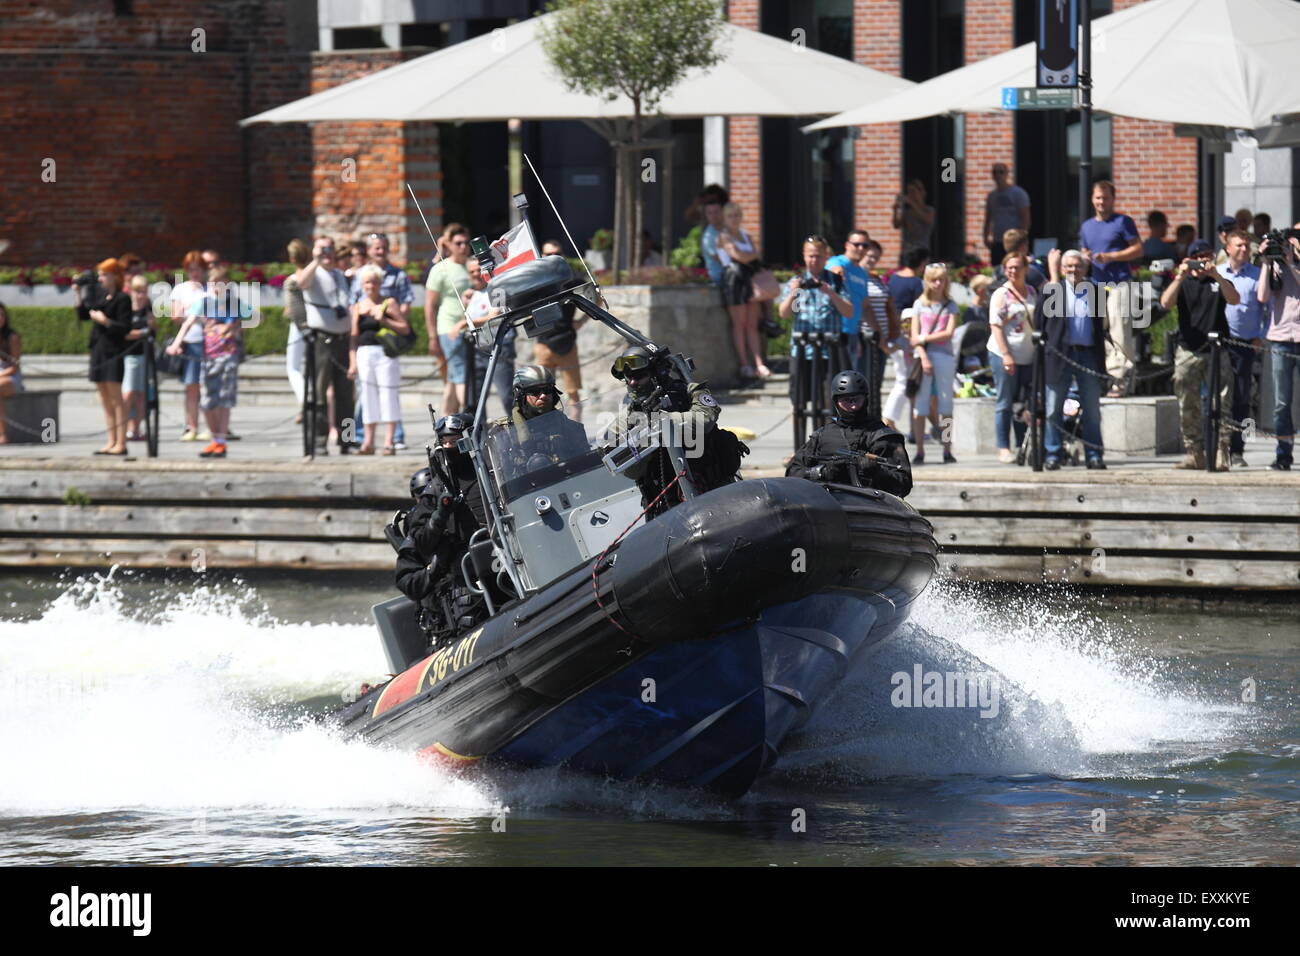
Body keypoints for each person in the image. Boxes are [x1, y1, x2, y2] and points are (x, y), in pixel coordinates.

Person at [606, 344, 737, 520]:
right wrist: (646, 434)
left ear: (657, 374)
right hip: (666, 510)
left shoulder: (687, 395)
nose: (632, 383)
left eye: (639, 376)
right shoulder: (628, 417)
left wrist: (665, 422)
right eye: (628, 378)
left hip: (716, 494)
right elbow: (631, 470)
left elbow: (704, 419)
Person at [395, 413, 487, 650]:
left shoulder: (492, 471)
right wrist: (440, 515)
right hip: (465, 580)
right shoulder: (436, 489)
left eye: (455, 440)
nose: (449, 447)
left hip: (507, 561)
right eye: (444, 442)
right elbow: (421, 543)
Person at [1161, 239, 1239, 470]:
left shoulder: (1219, 279)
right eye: (1198, 257)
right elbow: (1166, 303)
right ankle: (1195, 452)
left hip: (1217, 349)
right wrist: (1180, 275)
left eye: (1207, 256)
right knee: (1188, 402)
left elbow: (1235, 299)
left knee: (1222, 402)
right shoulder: (1182, 282)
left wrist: (1216, 276)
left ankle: (1221, 451)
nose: (1203, 261)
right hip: (1188, 349)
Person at [786, 370, 912, 497]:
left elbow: (904, 484)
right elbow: (792, 472)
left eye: (857, 400)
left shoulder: (882, 437)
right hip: (829, 504)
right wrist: (821, 472)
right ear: (836, 402)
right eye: (847, 400)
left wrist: (877, 472)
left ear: (865, 399)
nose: (853, 406)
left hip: (871, 506)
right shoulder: (822, 436)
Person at [1036, 250, 1108, 470]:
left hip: (1087, 355)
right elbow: (1039, 324)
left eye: (1077, 266)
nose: (1073, 270)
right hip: (1059, 356)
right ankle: (1053, 454)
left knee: (1092, 410)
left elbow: (1100, 326)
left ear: (1085, 268)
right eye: (1068, 266)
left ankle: (1094, 454)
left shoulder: (1095, 292)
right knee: (1053, 408)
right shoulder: (1052, 291)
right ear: (1061, 269)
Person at [167, 264, 243, 458]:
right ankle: (215, 439)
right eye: (211, 285)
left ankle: (220, 441)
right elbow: (187, 323)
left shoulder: (232, 303)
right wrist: (177, 343)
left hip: (227, 356)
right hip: (208, 357)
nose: (213, 289)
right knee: (207, 401)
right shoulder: (204, 303)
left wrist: (232, 329)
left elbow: (244, 320)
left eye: (217, 285)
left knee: (224, 400)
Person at [1078, 181, 1142, 397]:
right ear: (1092, 199)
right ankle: (1107, 374)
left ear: (1113, 199)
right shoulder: (1087, 226)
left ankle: (1121, 379)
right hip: (1096, 283)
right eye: (1098, 198)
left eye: (1105, 198)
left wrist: (1111, 257)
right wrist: (1085, 257)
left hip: (1120, 282)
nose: (1101, 202)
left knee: (1119, 330)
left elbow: (1138, 249)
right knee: (1098, 331)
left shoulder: (1123, 222)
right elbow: (1084, 250)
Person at [781, 236, 854, 424]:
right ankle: (801, 448)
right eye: (811, 256)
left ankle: (826, 446)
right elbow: (785, 313)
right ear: (804, 257)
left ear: (825, 257)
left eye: (819, 256)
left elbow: (848, 311)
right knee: (798, 402)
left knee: (830, 402)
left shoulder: (835, 281)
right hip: (803, 350)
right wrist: (793, 293)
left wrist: (830, 293)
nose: (814, 260)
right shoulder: (797, 282)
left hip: (829, 351)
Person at [351, 232, 414, 448]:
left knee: (389, 393)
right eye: (376, 248)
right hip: (364, 349)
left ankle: (393, 438)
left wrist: (386, 318)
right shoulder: (359, 285)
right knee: (365, 396)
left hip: (386, 347)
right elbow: (352, 329)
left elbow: (405, 308)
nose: (369, 285)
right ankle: (361, 439)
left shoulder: (397, 277)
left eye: (383, 247)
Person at [296, 235, 355, 455]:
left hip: (343, 339)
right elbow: (301, 283)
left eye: (330, 249)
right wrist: (316, 260)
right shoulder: (314, 272)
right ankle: (318, 441)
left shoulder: (339, 275)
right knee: (319, 393)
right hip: (322, 339)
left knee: (346, 396)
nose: (327, 253)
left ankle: (347, 440)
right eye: (323, 249)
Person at [75, 257, 132, 455]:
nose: (100, 279)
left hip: (114, 350)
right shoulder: (101, 297)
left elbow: (125, 327)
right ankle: (111, 440)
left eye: (104, 275)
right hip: (98, 349)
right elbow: (83, 315)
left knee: (116, 398)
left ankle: (121, 442)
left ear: (114, 277)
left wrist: (105, 321)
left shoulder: (123, 299)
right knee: (105, 398)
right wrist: (77, 293)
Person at [1256, 225, 1300, 470]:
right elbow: (1262, 296)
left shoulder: (1292, 263)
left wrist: (1292, 263)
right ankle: (1283, 454)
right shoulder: (1276, 264)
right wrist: (1266, 262)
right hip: (1280, 338)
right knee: (1281, 403)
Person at [1220, 230, 1265, 467]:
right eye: (1239, 245)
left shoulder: (1258, 275)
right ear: (1228, 248)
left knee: (1241, 398)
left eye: (1247, 246)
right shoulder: (1217, 274)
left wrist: (1262, 336)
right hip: (1220, 345)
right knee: (1217, 398)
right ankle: (1216, 447)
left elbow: (1269, 309)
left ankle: (1237, 450)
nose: (1244, 250)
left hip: (1245, 344)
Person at [988, 252, 1038, 463]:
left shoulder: (1032, 291)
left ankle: (1021, 446)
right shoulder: (1001, 294)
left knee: (1023, 404)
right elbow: (996, 326)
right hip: (1004, 354)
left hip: (1027, 355)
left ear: (1025, 269)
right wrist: (1007, 355)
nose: (1013, 271)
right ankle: (1003, 447)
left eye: (1017, 267)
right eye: (1009, 267)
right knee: (1005, 402)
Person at [490, 364, 590, 469]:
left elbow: (587, 465)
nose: (543, 396)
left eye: (547, 390)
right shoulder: (502, 434)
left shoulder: (568, 426)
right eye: (535, 391)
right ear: (521, 395)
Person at [718, 202, 775, 380]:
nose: (734, 219)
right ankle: (745, 364)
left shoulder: (746, 235)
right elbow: (738, 257)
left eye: (737, 215)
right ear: (725, 219)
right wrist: (750, 256)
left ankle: (759, 363)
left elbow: (751, 255)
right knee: (739, 324)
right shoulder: (723, 236)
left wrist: (748, 256)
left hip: (750, 279)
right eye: (730, 216)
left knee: (752, 324)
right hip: (734, 280)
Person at [909, 263, 958, 464]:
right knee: (920, 405)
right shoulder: (919, 304)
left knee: (946, 404)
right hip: (923, 357)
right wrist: (922, 352)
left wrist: (924, 338)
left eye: (942, 279)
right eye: (934, 279)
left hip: (944, 356)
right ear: (927, 281)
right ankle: (920, 449)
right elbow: (913, 336)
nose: (938, 283)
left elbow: (948, 333)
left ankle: (947, 449)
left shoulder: (950, 304)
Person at [532, 239, 586, 416]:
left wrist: (581, 321)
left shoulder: (570, 277)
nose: (552, 257)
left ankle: (577, 433)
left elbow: (596, 297)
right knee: (540, 393)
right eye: (548, 254)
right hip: (544, 343)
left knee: (573, 393)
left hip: (567, 341)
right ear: (542, 255)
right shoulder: (535, 279)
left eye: (556, 254)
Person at [457, 256, 513, 417]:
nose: (475, 274)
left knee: (506, 396)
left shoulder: (497, 289)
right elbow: (468, 320)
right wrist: (466, 304)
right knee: (475, 401)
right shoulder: (471, 294)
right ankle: (481, 440)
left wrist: (465, 323)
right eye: (471, 271)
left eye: (478, 270)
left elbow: (494, 317)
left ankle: (522, 433)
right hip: (477, 350)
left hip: (498, 349)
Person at [425, 225, 472, 415]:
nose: (463, 246)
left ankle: (446, 423)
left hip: (471, 327)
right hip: (449, 328)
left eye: (466, 242)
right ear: (449, 245)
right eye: (458, 243)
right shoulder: (440, 269)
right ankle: (472, 415)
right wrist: (432, 337)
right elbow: (430, 305)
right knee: (460, 374)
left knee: (453, 378)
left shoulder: (472, 265)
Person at [169, 250, 207, 441]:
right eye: (191, 269)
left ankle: (212, 425)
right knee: (192, 385)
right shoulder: (180, 289)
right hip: (190, 340)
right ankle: (191, 425)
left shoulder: (210, 288)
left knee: (208, 385)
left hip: (210, 341)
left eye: (198, 269)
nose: (195, 273)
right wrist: (193, 313)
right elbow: (175, 316)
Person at [826, 230, 872, 376]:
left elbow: (862, 305)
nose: (860, 249)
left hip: (852, 334)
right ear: (847, 245)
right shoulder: (837, 262)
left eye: (865, 246)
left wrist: (857, 335)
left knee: (846, 385)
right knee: (833, 381)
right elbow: (831, 270)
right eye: (856, 244)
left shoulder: (862, 273)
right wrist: (837, 272)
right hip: (836, 332)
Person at [860, 238, 901, 400]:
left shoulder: (875, 278)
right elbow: (862, 308)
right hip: (865, 337)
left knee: (876, 383)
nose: (872, 260)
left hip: (882, 337)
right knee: (864, 382)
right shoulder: (856, 278)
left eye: (876, 258)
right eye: (869, 256)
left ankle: (873, 419)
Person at [122, 274, 157, 442]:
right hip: (130, 356)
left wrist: (152, 325)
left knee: (143, 395)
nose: (141, 295)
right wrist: (143, 332)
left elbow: (154, 332)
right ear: (132, 291)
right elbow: (125, 334)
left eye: (144, 291)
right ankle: (126, 428)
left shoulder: (149, 307)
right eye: (138, 292)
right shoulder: (126, 308)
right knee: (128, 394)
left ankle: (137, 428)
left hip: (146, 355)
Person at [983, 163, 1031, 264]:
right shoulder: (992, 196)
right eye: (995, 172)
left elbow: (1025, 218)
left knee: (1014, 267)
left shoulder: (1018, 193)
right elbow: (988, 218)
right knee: (998, 270)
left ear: (1007, 174)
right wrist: (985, 237)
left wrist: (1021, 240)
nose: (998, 175)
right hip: (997, 241)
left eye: (1001, 172)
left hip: (1013, 242)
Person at [990, 229, 1047, 294]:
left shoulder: (997, 270)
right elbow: (1049, 292)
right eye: (1027, 244)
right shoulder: (1029, 270)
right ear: (1023, 246)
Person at [893, 179, 935, 262]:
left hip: (922, 251)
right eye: (909, 191)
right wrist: (895, 211)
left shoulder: (929, 210)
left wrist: (912, 203)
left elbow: (928, 220)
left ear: (922, 193)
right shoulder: (907, 212)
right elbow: (896, 225)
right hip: (907, 252)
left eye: (913, 191)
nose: (911, 195)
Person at [697, 184, 730, 291]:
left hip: (732, 274)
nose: (713, 216)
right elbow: (723, 260)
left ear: (722, 212)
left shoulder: (730, 228)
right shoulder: (708, 237)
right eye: (709, 213)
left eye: (716, 212)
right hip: (720, 279)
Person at [0, 303, 22, 444]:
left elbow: (14, 367)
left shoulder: (12, 337)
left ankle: (2, 434)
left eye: (2, 315)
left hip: (10, 377)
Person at [888, 247, 927, 315]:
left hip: (891, 318)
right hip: (906, 321)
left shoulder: (893, 277)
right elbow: (920, 306)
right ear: (921, 263)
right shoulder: (916, 282)